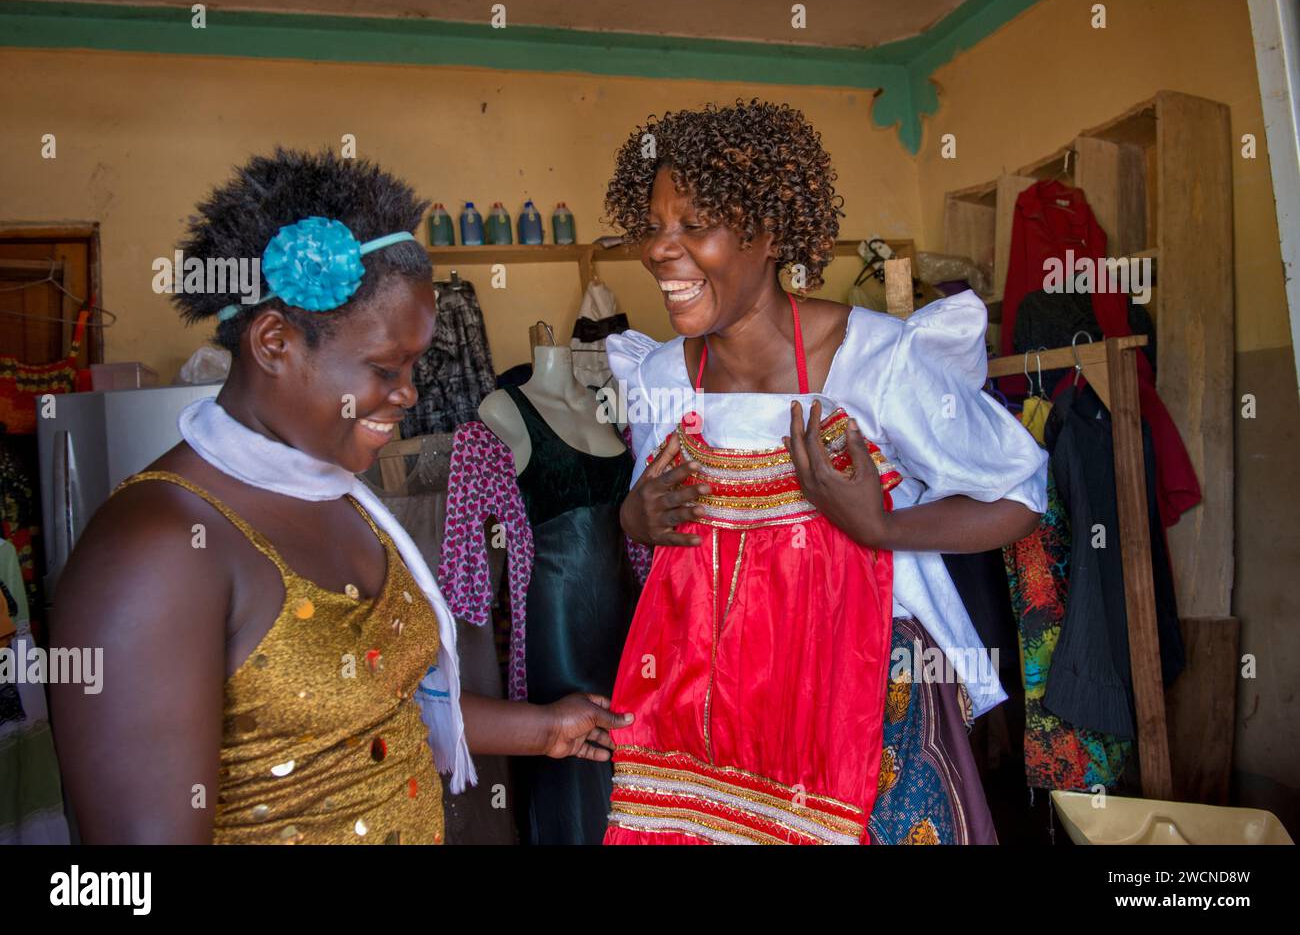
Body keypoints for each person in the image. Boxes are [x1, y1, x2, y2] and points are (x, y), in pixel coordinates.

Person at [48, 148, 628, 844]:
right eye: (387, 368)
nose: (409, 395)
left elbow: (372, 706)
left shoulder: (343, 501)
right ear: (273, 343)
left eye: (415, 365)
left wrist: (547, 730)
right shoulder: (157, 552)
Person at [602, 100, 1046, 845]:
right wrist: (632, 517)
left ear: (768, 234)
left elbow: (1020, 494)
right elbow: (650, 514)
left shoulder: (876, 363)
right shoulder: (659, 379)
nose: (657, 250)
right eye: (652, 225)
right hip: (705, 713)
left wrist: (881, 526)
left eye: (694, 224)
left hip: (864, 695)